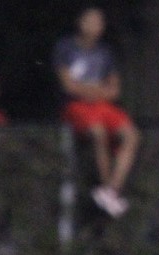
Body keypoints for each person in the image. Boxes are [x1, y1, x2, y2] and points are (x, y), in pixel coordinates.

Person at [53, 5, 140, 219]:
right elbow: (68, 86)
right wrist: (94, 91)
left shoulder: (105, 53)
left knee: (131, 135)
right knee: (97, 132)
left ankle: (111, 191)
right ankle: (104, 185)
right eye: (91, 20)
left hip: (101, 105)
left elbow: (115, 90)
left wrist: (93, 92)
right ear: (81, 23)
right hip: (76, 107)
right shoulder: (65, 47)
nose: (96, 26)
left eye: (99, 22)